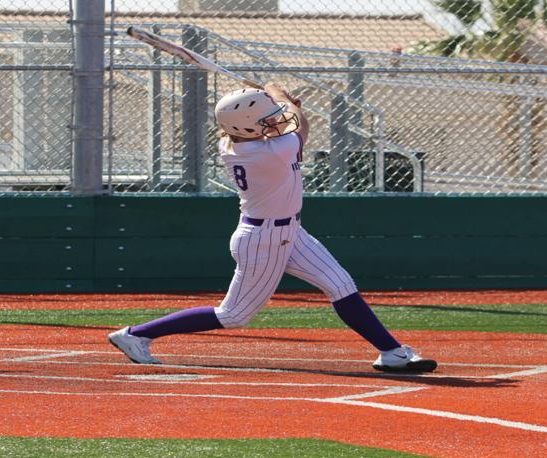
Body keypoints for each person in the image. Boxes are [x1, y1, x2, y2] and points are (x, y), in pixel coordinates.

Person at [108, 84, 435, 373]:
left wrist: (266, 100)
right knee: (233, 315)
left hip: (288, 232)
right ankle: (136, 335)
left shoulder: (234, 141)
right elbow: (300, 123)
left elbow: (279, 121)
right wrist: (276, 92)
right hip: (263, 240)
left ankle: (392, 352)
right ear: (247, 128)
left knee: (340, 285)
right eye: (265, 121)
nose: (275, 122)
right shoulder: (270, 151)